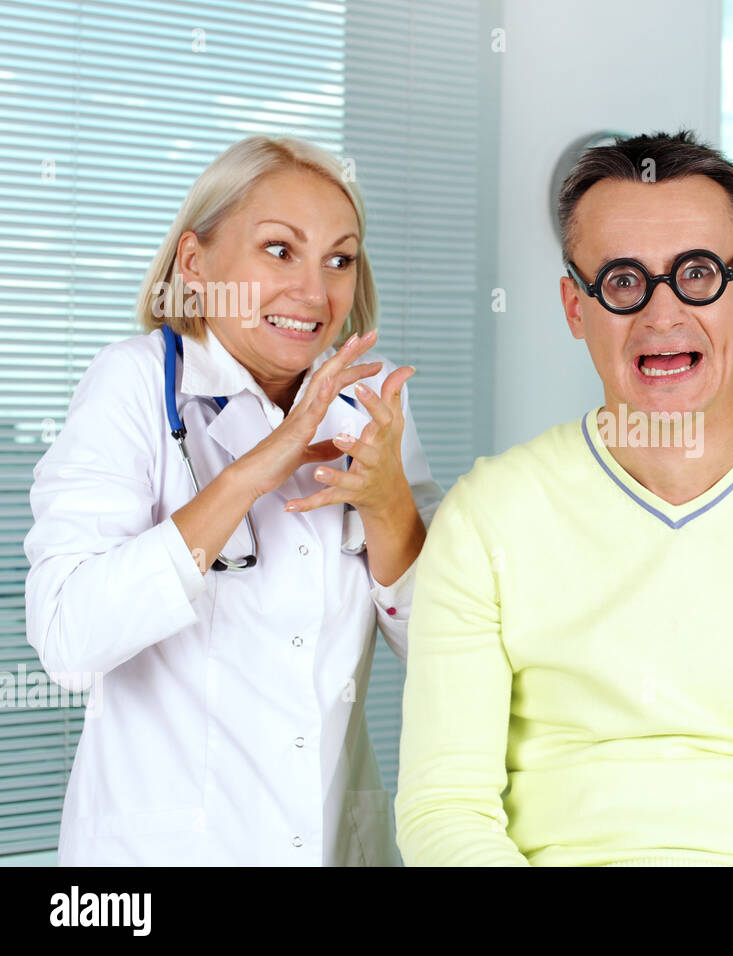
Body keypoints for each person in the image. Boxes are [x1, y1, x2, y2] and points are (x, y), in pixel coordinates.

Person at [395, 131, 733, 867]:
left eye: (697, 273)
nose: (662, 314)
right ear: (573, 306)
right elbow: (443, 809)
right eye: (623, 281)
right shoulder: (486, 514)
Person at [24, 135, 441, 865]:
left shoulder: (370, 410)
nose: (315, 292)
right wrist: (249, 473)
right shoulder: (134, 386)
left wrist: (386, 505)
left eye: (339, 259)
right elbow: (68, 642)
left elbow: (445, 649)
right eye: (279, 250)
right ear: (195, 263)